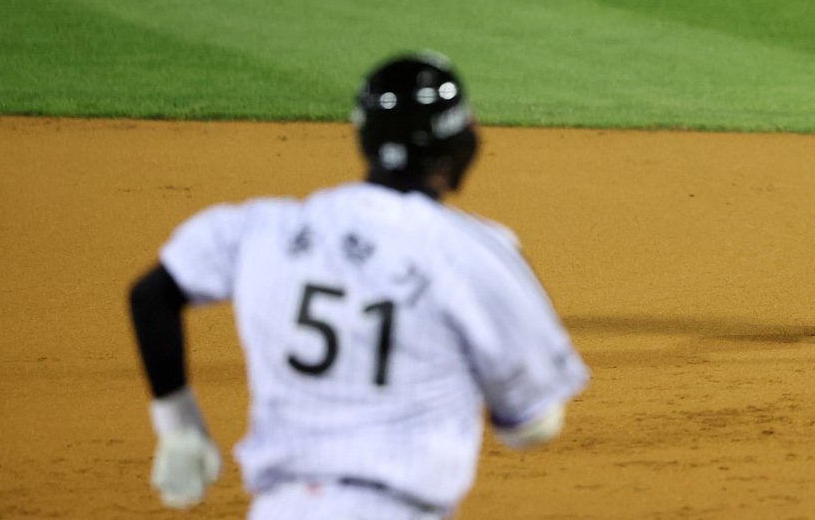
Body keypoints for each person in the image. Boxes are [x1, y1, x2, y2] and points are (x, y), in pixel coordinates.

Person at [127, 52, 588, 519]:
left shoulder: (263, 227)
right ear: (458, 143)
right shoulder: (473, 250)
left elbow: (151, 295)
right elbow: (531, 425)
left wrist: (179, 428)